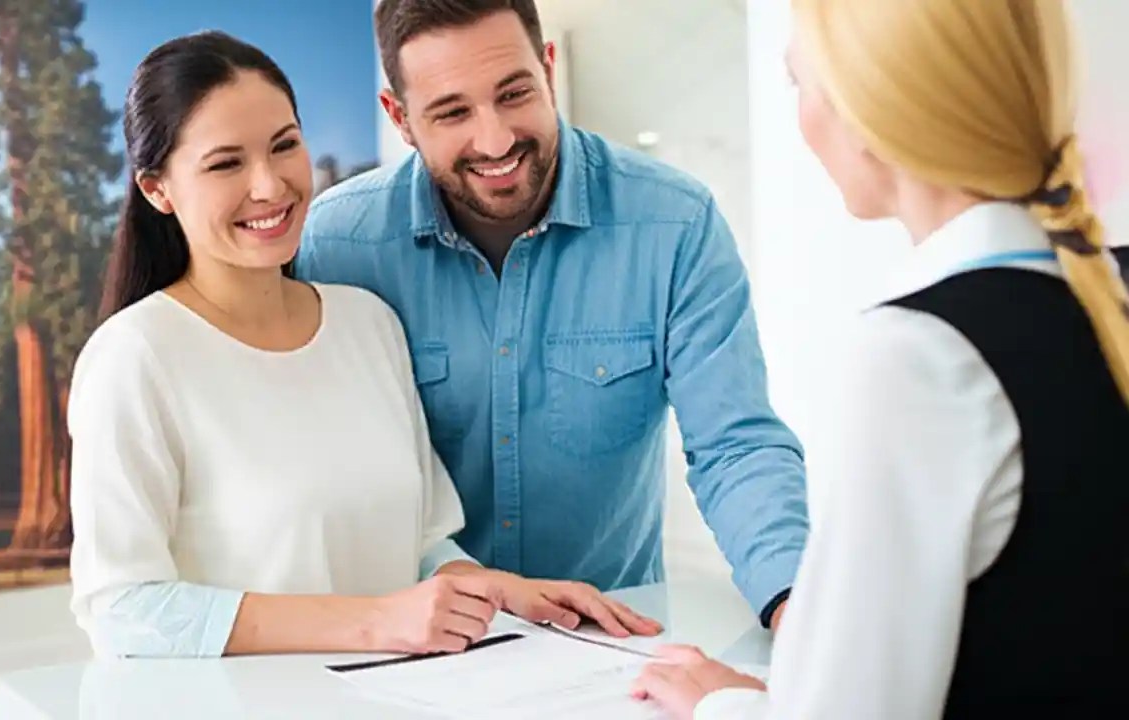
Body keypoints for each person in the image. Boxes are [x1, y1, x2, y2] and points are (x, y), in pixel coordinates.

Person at [66, 30, 659, 660]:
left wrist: (501, 591)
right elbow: (123, 610)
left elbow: (423, 542)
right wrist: (375, 622)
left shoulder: (366, 323)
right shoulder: (134, 358)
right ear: (158, 189)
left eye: (284, 145)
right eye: (226, 163)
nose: (269, 186)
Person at [631, 1, 1129, 718]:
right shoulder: (1101, 292)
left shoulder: (920, 357)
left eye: (798, 81)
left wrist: (725, 706)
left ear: (869, 106)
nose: (800, 120)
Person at [295, 0, 809, 634]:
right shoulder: (339, 245)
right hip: (414, 644)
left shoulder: (675, 224)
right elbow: (325, 467)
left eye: (513, 94)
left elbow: (735, 445)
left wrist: (794, 602)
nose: (496, 139)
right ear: (399, 118)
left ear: (549, 68)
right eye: (453, 112)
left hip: (612, 640)